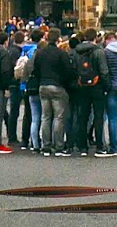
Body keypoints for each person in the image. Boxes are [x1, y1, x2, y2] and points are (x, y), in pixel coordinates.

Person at [33, 29, 73, 157]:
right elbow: (68, 72)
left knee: (45, 117)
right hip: (57, 86)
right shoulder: (61, 54)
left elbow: (36, 70)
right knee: (58, 117)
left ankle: (46, 146)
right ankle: (59, 146)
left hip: (43, 85)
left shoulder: (40, 53)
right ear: (58, 39)